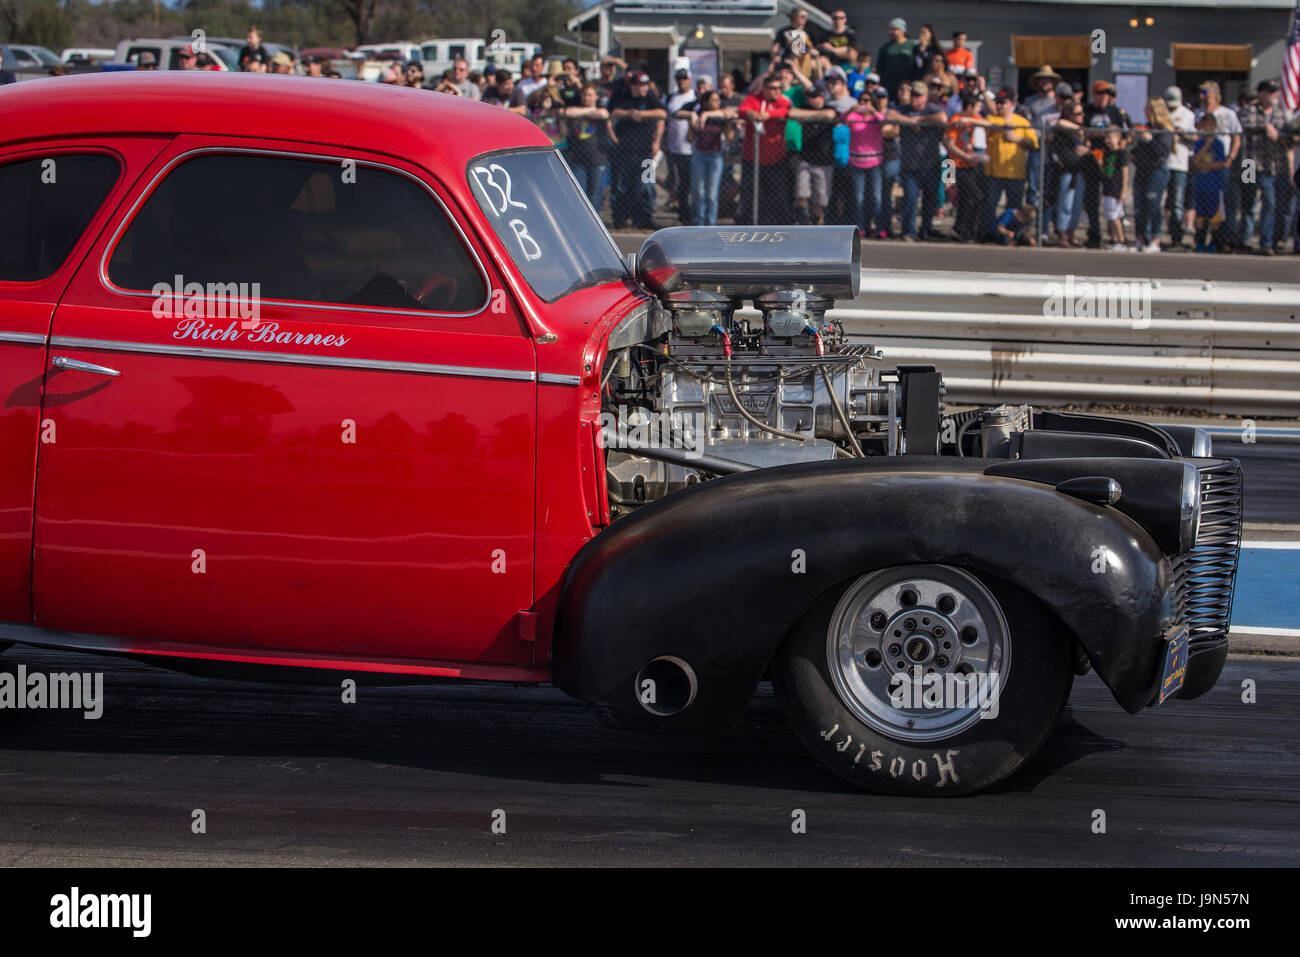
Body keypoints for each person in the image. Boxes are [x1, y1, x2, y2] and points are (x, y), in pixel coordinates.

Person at [1237, 79, 1294, 256]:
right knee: (1248, 202)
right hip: (1250, 163)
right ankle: (1244, 239)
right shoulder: (1250, 110)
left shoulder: (1280, 114)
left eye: (1275, 91)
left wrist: (1277, 134)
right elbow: (1244, 126)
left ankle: (1266, 242)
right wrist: (1264, 127)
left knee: (1269, 201)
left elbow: (1287, 135)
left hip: (1273, 165)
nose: (1274, 95)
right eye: (1270, 92)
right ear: (1261, 93)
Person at [889, 79, 948, 240]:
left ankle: (926, 229)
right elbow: (890, 115)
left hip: (930, 164)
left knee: (930, 200)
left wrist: (920, 120)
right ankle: (908, 231)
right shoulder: (903, 109)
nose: (914, 98)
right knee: (910, 200)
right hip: (910, 166)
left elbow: (942, 118)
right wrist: (910, 121)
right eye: (913, 94)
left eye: (918, 95)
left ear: (925, 96)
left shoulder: (933, 109)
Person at [608, 72, 665, 230]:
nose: (644, 88)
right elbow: (612, 111)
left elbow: (662, 113)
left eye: (646, 85)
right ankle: (620, 218)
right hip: (623, 151)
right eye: (641, 85)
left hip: (645, 151)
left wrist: (643, 114)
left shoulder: (650, 96)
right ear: (633, 86)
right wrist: (629, 114)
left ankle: (644, 219)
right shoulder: (621, 94)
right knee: (622, 186)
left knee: (645, 185)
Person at [982, 88, 1038, 242]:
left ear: (1011, 104)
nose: (999, 106)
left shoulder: (1022, 122)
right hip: (993, 172)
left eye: (1003, 102)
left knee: (1013, 208)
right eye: (997, 102)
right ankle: (989, 234)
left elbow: (1034, 144)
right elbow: (982, 128)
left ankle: (1013, 236)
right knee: (989, 206)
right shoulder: (991, 119)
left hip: (1015, 173)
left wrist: (1017, 139)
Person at [738, 72, 794, 224]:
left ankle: (776, 224)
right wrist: (751, 113)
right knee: (749, 193)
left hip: (776, 158)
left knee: (777, 194)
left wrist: (768, 114)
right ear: (764, 88)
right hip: (753, 157)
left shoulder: (782, 101)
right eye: (772, 88)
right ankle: (746, 223)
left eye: (779, 88)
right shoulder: (753, 99)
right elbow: (743, 109)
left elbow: (786, 110)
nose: (777, 91)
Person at [1082, 79, 1131, 248]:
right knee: (1092, 200)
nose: (1105, 96)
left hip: (1111, 161)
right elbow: (1081, 131)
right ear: (1094, 94)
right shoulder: (1087, 111)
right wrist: (1094, 136)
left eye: (1108, 94)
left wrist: (1118, 148)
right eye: (1101, 93)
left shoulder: (1116, 112)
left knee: (1113, 199)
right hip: (1093, 159)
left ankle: (1116, 237)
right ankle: (1094, 234)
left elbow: (1127, 135)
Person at [1194, 81, 1242, 251]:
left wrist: (1231, 157)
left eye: (1206, 92)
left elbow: (1237, 137)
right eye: (1202, 93)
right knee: (1201, 206)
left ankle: (1221, 241)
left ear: (1215, 94)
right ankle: (1200, 241)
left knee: (1222, 205)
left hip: (1221, 163)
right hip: (1202, 165)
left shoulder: (1228, 113)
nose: (1203, 96)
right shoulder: (1199, 113)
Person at [789, 84, 838, 224]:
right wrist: (814, 115)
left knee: (820, 198)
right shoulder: (805, 108)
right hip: (805, 158)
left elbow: (830, 115)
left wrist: (809, 117)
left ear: (822, 97)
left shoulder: (830, 108)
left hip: (824, 160)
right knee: (801, 192)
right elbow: (791, 113)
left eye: (814, 97)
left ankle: (816, 221)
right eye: (809, 97)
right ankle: (803, 219)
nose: (811, 100)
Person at [1130, 98, 1174, 251]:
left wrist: (1149, 140)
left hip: (1156, 172)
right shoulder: (1146, 127)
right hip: (1142, 170)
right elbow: (1138, 148)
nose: (1145, 112)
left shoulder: (1164, 130)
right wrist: (1134, 153)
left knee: (1153, 206)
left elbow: (1163, 151)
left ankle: (1155, 239)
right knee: (1139, 207)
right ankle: (1140, 239)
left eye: (1147, 109)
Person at [564, 83, 613, 214]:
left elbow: (603, 114)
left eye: (590, 95)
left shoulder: (601, 109)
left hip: (597, 157)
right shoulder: (578, 109)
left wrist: (582, 113)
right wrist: (590, 112)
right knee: (579, 192)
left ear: (596, 96)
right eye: (584, 95)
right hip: (577, 158)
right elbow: (568, 112)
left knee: (595, 192)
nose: (587, 98)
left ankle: (595, 219)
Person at [945, 92, 988, 242]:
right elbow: (948, 144)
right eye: (977, 107)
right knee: (975, 196)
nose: (979, 110)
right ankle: (969, 229)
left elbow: (989, 124)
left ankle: (961, 229)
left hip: (970, 165)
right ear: (969, 106)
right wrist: (965, 157)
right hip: (955, 164)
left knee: (966, 198)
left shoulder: (973, 119)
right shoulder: (955, 120)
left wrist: (969, 119)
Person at [686, 89, 734, 225]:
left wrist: (728, 125)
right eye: (713, 100)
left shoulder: (721, 116)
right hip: (699, 155)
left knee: (712, 194)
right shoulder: (698, 115)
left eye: (718, 100)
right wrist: (692, 123)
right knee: (699, 192)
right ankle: (698, 222)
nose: (717, 103)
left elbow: (730, 137)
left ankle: (710, 223)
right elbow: (689, 139)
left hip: (715, 156)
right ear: (706, 102)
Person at [1050, 100, 1090, 246]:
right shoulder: (1064, 129)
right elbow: (1059, 123)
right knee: (1065, 205)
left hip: (1079, 172)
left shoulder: (1082, 130)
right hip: (1065, 172)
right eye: (1078, 113)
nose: (1081, 116)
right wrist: (1078, 129)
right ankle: (1062, 236)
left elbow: (1088, 146)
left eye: (1081, 113)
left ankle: (1071, 234)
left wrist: (1086, 149)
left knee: (1076, 206)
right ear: (1070, 114)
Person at [1163, 86, 1196, 248]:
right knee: (1164, 202)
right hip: (1162, 162)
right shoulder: (1162, 112)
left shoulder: (1188, 115)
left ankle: (1178, 236)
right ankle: (1165, 232)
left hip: (1180, 163)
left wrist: (1182, 133)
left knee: (1178, 200)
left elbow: (1196, 137)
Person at [665, 68, 698, 225]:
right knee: (676, 183)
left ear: (690, 79)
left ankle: (693, 216)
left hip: (691, 149)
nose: (681, 80)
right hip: (673, 147)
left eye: (685, 78)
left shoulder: (695, 97)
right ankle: (683, 214)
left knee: (690, 184)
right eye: (679, 78)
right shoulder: (670, 97)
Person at [1191, 113, 1227, 252]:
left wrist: (1203, 166)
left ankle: (1213, 242)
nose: (1207, 128)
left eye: (1210, 125)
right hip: (1200, 185)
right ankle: (1199, 242)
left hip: (1215, 186)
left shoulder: (1219, 144)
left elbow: (1219, 164)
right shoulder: (1199, 143)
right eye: (1204, 125)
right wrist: (1206, 145)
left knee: (1215, 218)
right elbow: (1195, 162)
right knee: (1200, 218)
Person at [1099, 127, 1130, 249]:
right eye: (1106, 137)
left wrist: (1124, 191)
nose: (1107, 140)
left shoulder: (1121, 153)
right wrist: (1100, 164)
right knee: (1109, 216)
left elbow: (1125, 173)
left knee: (1115, 216)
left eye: (1110, 137)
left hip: (1116, 189)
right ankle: (1114, 239)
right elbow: (1105, 173)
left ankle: (1121, 240)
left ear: (1118, 138)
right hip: (1107, 188)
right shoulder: (1106, 153)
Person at [875, 18, 918, 99]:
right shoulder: (885, 48)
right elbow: (879, 67)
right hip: (889, 87)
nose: (891, 32)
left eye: (894, 29)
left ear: (902, 30)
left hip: (907, 88)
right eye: (890, 29)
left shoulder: (912, 46)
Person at [773, 8, 817, 76]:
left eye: (806, 17)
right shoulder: (784, 31)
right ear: (795, 17)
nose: (805, 19)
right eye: (802, 16)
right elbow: (775, 48)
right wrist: (775, 56)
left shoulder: (810, 32)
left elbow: (813, 49)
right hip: (788, 59)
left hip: (806, 59)